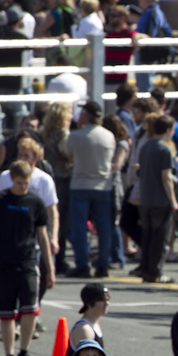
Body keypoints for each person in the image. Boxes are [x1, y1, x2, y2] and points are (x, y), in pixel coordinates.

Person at [0, 159, 55, 356]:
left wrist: (49, 267)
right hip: (3, 262)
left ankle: (25, 352)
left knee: (30, 308)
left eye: (27, 182)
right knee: (6, 312)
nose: (23, 186)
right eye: (20, 182)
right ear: (11, 179)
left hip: (28, 262)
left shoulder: (36, 202)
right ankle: (9, 355)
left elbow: (42, 237)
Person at [65, 102, 117, 278]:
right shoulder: (109, 136)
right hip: (102, 185)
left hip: (80, 184)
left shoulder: (76, 136)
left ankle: (82, 264)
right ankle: (103, 263)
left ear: (85, 115)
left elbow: (67, 152)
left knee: (79, 227)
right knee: (103, 227)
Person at [135, 114, 178, 285]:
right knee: (160, 238)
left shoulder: (145, 146)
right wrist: (173, 200)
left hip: (145, 198)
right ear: (168, 130)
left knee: (147, 236)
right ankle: (155, 271)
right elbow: (166, 177)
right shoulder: (164, 149)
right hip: (160, 199)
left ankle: (146, 268)